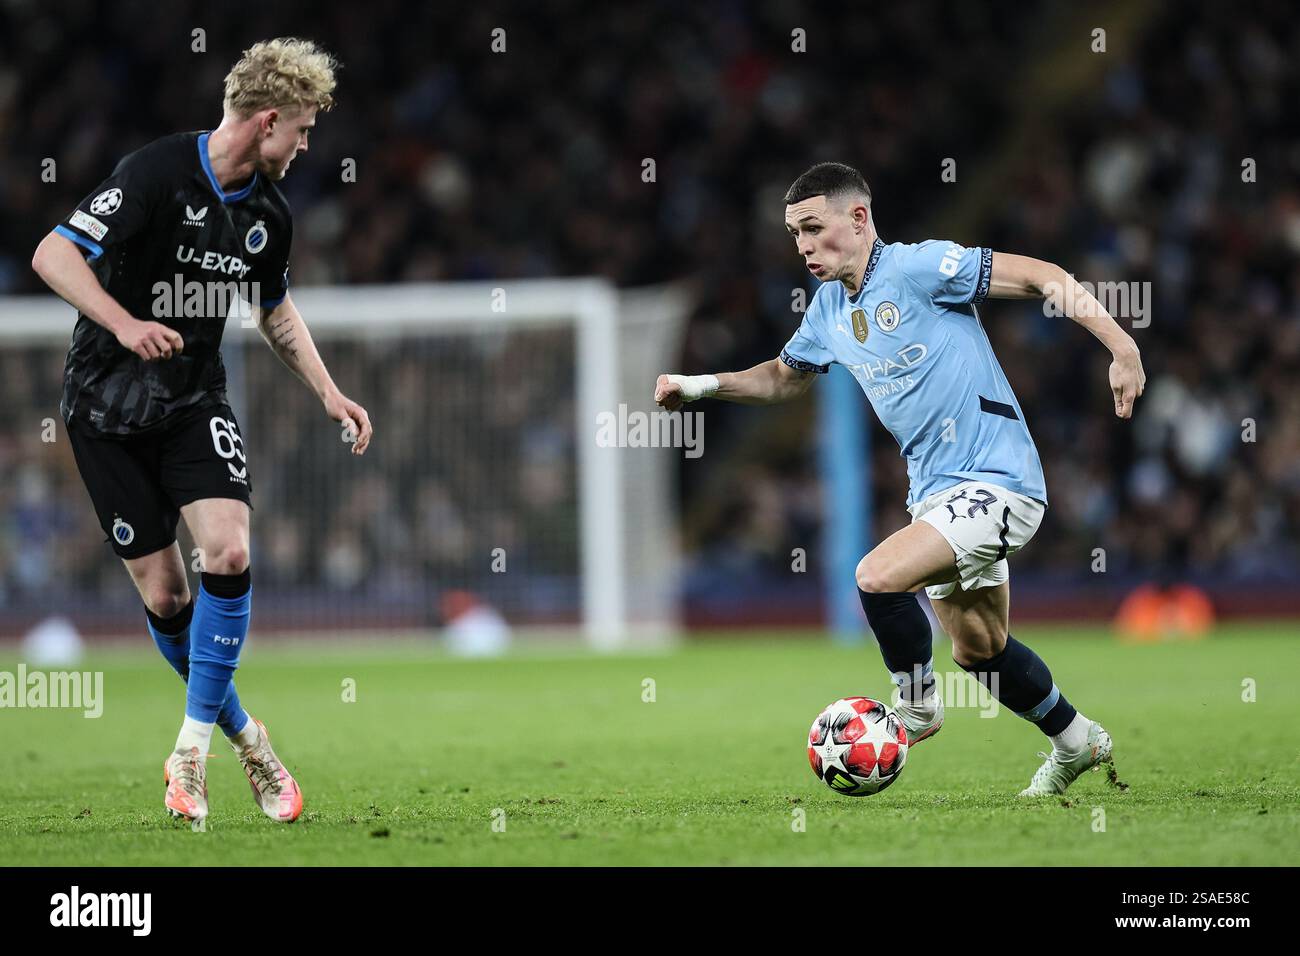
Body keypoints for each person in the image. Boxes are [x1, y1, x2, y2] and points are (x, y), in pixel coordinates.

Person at [654, 162, 1145, 797]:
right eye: (793, 233)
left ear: (858, 219)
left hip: (999, 481)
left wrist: (1121, 347)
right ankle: (1077, 741)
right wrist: (700, 386)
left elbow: (1042, 277)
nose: (802, 245)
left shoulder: (918, 269)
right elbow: (783, 376)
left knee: (876, 577)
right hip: (938, 494)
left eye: (812, 227)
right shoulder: (828, 308)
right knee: (980, 651)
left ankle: (915, 707)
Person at [31, 38, 373, 826]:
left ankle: (190, 748)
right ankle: (249, 737)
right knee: (165, 592)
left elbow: (275, 311)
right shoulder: (154, 173)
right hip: (104, 410)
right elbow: (54, 253)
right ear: (268, 120)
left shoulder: (268, 215)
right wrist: (123, 323)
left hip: (192, 402)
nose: (308, 146)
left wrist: (329, 391)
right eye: (306, 130)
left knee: (229, 551)